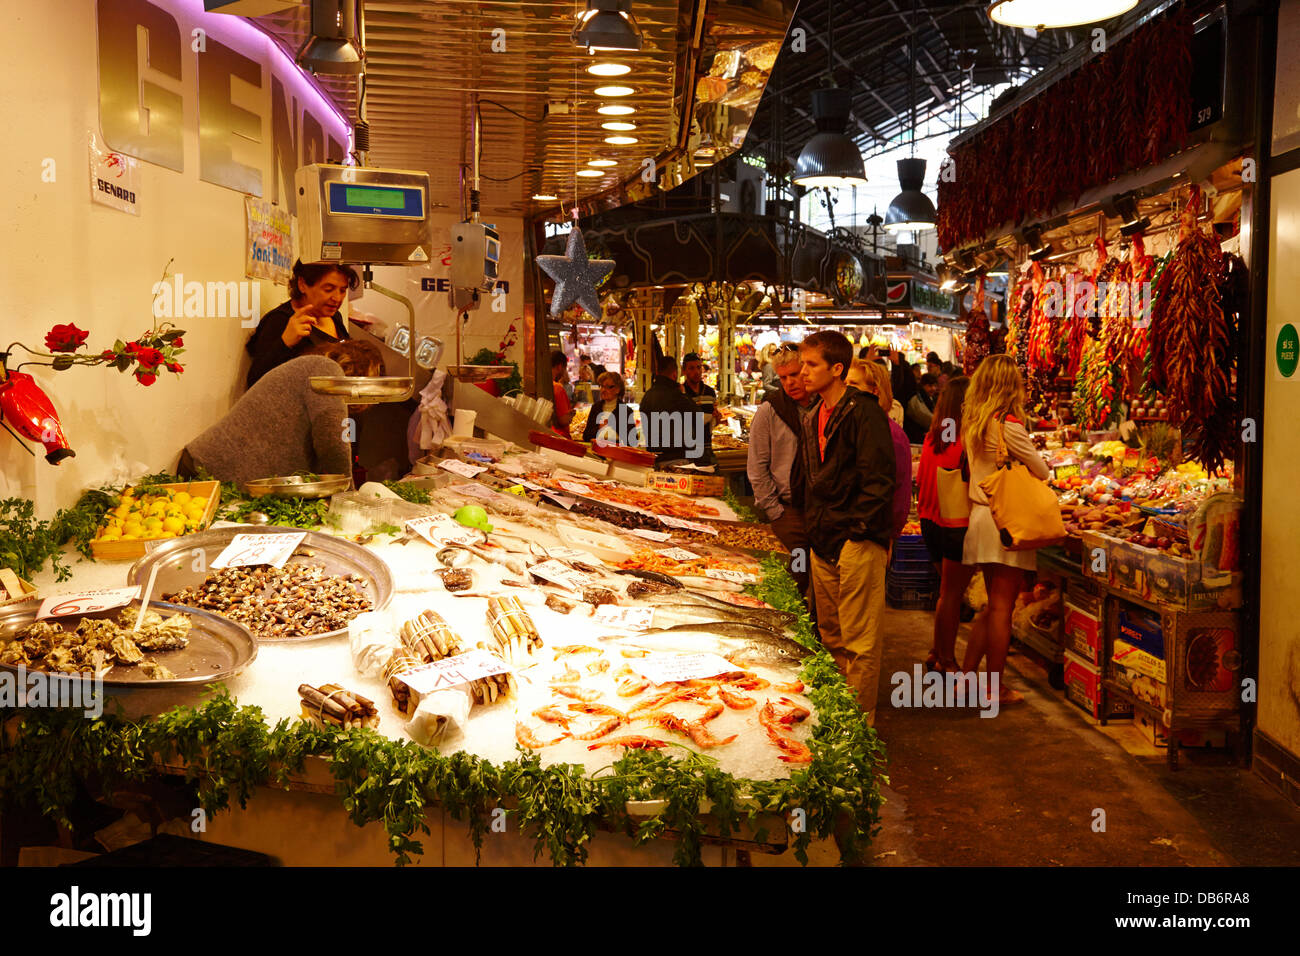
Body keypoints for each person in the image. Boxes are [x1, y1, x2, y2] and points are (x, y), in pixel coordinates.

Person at [792, 331, 895, 724]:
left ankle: (860, 726)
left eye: (811, 365)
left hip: (857, 541)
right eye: (802, 364)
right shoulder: (812, 415)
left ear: (837, 369)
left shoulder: (864, 412)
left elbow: (879, 480)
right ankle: (839, 717)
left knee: (860, 642)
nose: (803, 372)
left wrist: (858, 531)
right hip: (823, 541)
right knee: (831, 635)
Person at [960, 354, 1050, 703]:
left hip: (981, 518)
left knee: (989, 605)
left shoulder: (974, 422)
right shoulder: (1008, 425)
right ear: (1009, 386)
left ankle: (968, 679)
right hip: (1006, 522)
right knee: (1002, 607)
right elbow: (1041, 471)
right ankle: (995, 688)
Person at [180, 355, 352, 490]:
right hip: (211, 475)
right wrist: (349, 496)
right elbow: (333, 441)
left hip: (213, 471)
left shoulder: (306, 368)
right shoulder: (327, 370)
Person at [916, 376, 977, 675]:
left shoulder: (933, 437)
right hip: (954, 525)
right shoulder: (965, 440)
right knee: (951, 595)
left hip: (929, 523)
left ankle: (936, 651)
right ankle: (946, 659)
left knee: (947, 593)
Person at [747, 344, 814, 598]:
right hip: (790, 518)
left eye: (794, 374)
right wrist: (777, 513)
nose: (790, 383)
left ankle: (820, 632)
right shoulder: (769, 411)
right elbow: (757, 468)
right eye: (783, 377)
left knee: (824, 583)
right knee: (797, 576)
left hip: (824, 514)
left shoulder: (824, 408)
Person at [245, 260, 360, 389]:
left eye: (342, 290)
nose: (337, 298)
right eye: (328, 289)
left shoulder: (335, 317)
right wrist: (285, 343)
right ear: (302, 285)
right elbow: (255, 382)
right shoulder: (280, 320)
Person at [850, 360, 912, 540]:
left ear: (874, 391)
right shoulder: (853, 428)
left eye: (854, 384)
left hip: (871, 539)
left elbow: (897, 501)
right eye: (844, 383)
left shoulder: (890, 435)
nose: (846, 390)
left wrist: (887, 539)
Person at [639, 355, 708, 464]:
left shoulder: (648, 396)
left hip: (655, 457)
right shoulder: (677, 395)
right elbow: (698, 417)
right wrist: (684, 394)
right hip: (677, 457)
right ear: (675, 373)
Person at [681, 352, 720, 464]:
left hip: (708, 447)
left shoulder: (710, 392)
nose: (696, 372)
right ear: (684, 371)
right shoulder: (681, 393)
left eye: (699, 367)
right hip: (687, 449)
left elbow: (715, 423)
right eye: (691, 368)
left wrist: (717, 418)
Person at [848, 359, 904, 427]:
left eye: (853, 383)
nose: (846, 388)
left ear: (874, 391)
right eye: (844, 383)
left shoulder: (882, 428)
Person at [583, 371, 634, 445]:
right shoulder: (596, 408)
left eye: (608, 387)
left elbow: (632, 440)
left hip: (618, 453)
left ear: (618, 389)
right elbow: (586, 436)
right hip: (597, 452)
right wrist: (599, 428)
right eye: (602, 386)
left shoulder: (626, 411)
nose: (603, 390)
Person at [905, 372, 940, 442]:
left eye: (935, 386)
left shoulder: (932, 398)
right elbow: (924, 416)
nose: (933, 388)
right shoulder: (916, 399)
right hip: (917, 436)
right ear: (923, 386)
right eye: (930, 386)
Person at [550, 350, 573, 435]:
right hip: (559, 437)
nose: (564, 371)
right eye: (565, 368)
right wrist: (571, 415)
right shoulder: (557, 388)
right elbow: (563, 420)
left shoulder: (544, 385)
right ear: (560, 366)